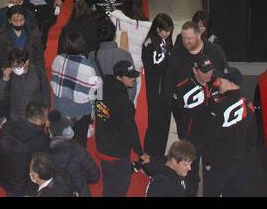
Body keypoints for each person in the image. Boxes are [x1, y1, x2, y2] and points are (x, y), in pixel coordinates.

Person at [166, 19, 227, 190]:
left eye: (190, 38)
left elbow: (225, 80)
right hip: (189, 129)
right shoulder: (177, 54)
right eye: (183, 38)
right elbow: (170, 86)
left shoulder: (214, 52)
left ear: (199, 34)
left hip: (212, 129)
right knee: (190, 172)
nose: (186, 42)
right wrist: (179, 118)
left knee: (211, 169)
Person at [95, 60, 148, 197]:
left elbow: (101, 115)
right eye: (129, 76)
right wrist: (140, 153)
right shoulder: (122, 101)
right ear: (119, 77)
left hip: (102, 145)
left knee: (108, 184)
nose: (134, 79)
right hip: (116, 152)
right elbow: (130, 129)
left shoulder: (102, 88)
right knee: (120, 187)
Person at [201, 66, 254, 197]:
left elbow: (210, 137)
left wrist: (207, 161)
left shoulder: (218, 105)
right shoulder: (249, 106)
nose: (218, 82)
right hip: (239, 164)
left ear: (231, 84)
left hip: (218, 165)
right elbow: (252, 137)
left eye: (222, 80)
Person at [50, 30, 103, 146]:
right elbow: (96, 94)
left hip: (60, 109)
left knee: (58, 145)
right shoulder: (89, 68)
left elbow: (53, 82)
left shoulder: (57, 59)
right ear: (83, 46)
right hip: (80, 113)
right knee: (78, 147)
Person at [0, 103, 50, 197]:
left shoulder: (9, 125)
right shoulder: (41, 139)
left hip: (4, 174)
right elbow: (42, 163)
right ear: (40, 119)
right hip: (24, 183)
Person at [142, 13, 174, 158]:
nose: (168, 34)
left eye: (169, 31)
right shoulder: (149, 44)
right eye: (165, 30)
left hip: (166, 87)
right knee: (155, 122)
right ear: (157, 29)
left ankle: (159, 154)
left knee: (165, 122)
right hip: (156, 88)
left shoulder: (166, 42)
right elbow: (151, 69)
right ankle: (150, 153)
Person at [47, 113, 99, 196]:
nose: (70, 130)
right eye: (67, 128)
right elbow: (94, 173)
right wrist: (84, 180)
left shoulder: (47, 155)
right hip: (81, 191)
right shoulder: (77, 149)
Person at [0, 45, 49, 123]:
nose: (16, 69)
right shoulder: (9, 75)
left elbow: (46, 94)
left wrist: (45, 114)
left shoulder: (38, 73)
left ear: (27, 62)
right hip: (16, 119)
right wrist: (4, 80)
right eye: (14, 67)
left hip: (35, 118)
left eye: (19, 67)